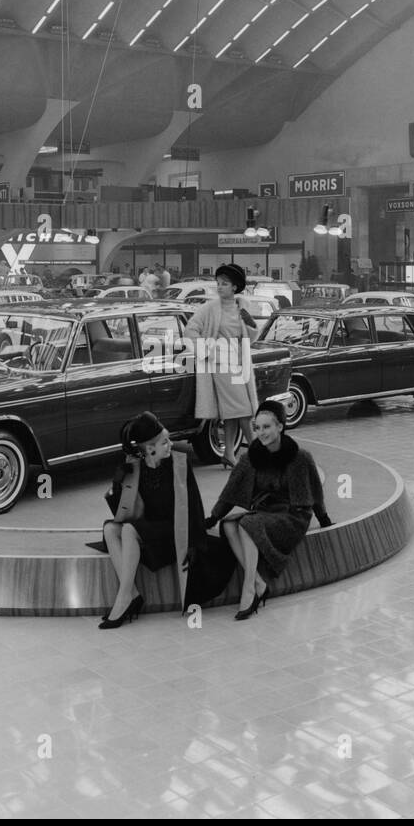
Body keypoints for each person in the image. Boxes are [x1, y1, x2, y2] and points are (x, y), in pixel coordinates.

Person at [207, 400, 332, 619]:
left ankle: (249, 589)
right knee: (228, 524)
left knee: (247, 523)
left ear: (280, 427)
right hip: (265, 512)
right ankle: (257, 582)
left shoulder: (300, 457)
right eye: (257, 427)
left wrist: (324, 518)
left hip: (293, 516)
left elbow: (315, 492)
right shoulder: (251, 458)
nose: (261, 432)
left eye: (267, 427)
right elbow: (231, 491)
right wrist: (215, 516)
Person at [97, 412, 209, 629]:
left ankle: (123, 599)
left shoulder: (179, 464)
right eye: (165, 441)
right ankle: (132, 594)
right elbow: (123, 513)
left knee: (129, 530)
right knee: (111, 529)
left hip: (172, 531)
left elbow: (194, 504)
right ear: (150, 449)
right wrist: (118, 483)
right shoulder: (135, 466)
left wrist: (194, 542)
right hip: (147, 529)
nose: (171, 444)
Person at [185, 263, 258, 467]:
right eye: (218, 283)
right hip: (220, 365)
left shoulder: (243, 306)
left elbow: (250, 337)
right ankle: (256, 452)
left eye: (224, 284)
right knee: (243, 410)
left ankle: (228, 454)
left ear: (235, 287)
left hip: (238, 363)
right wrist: (209, 351)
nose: (219, 287)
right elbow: (190, 330)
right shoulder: (209, 308)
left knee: (232, 413)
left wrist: (250, 323)